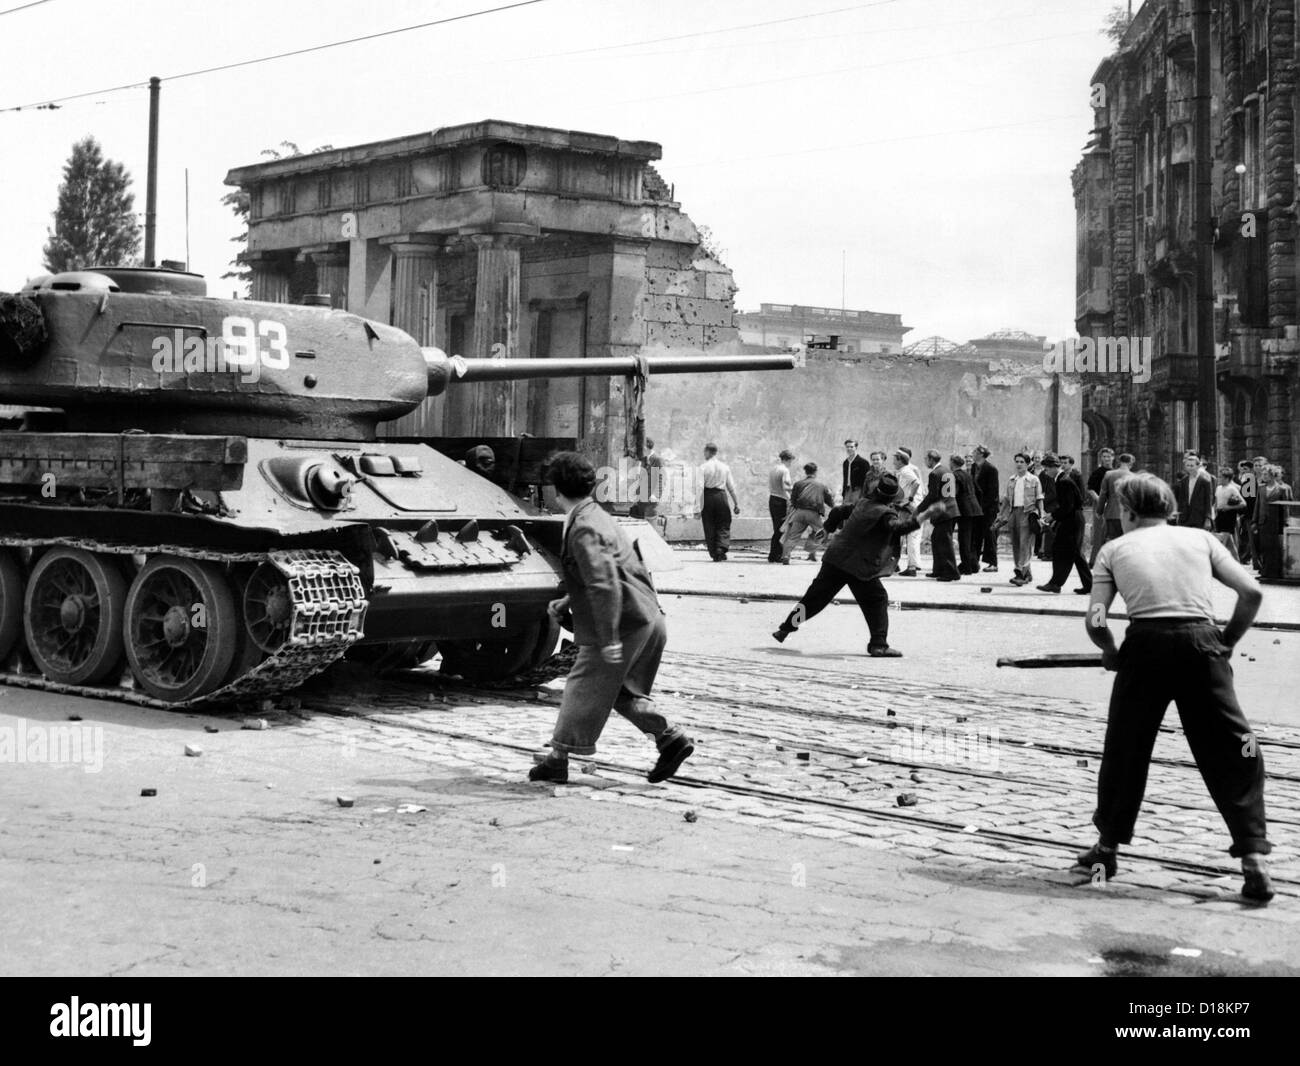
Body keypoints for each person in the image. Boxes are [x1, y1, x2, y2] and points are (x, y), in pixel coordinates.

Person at [1080, 473, 1273, 902]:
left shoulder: (1114, 549)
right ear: (1170, 508)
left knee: (1125, 749)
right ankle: (1253, 855)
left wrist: (1111, 650)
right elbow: (1252, 593)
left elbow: (1095, 621)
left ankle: (1107, 848)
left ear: (1127, 512)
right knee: (1236, 747)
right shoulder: (1200, 540)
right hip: (1202, 645)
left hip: (1144, 648)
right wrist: (1226, 642)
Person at [529, 452, 694, 786]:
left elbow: (604, 585)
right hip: (644, 615)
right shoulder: (596, 515)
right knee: (615, 691)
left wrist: (608, 639)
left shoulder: (583, 526)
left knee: (581, 685)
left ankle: (557, 760)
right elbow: (608, 573)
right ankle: (670, 739)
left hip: (623, 623)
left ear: (554, 489)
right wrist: (567, 601)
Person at [773, 473, 956, 656]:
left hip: (835, 559)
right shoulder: (885, 513)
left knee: (814, 599)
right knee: (877, 600)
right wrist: (925, 515)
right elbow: (898, 528)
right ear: (892, 498)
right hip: (858, 566)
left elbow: (837, 512)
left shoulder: (862, 503)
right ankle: (878, 644)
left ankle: (785, 628)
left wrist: (827, 529)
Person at [1036, 454, 1092, 594]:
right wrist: (1055, 515)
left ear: (1054, 467)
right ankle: (1088, 585)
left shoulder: (1063, 481)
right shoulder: (1061, 479)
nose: (1045, 471)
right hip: (1072, 519)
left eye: (1047, 468)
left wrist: (1052, 516)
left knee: (1064, 551)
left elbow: (1068, 506)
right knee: (1074, 553)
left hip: (1072, 520)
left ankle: (1055, 584)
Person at [997, 451, 1044, 586]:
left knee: (1025, 544)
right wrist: (1001, 514)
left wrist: (1041, 515)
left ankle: (1020, 573)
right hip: (1014, 513)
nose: (1018, 464)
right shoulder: (1012, 479)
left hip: (1028, 513)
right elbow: (1006, 499)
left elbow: (1039, 498)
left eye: (1022, 462)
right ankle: (1026, 573)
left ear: (1027, 464)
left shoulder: (1034, 479)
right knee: (1017, 544)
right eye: (1017, 461)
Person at [780, 462, 834, 563]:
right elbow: (829, 500)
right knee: (820, 533)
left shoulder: (798, 484)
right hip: (814, 514)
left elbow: (793, 499)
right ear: (816, 472)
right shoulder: (821, 486)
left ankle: (786, 556)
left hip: (799, 513)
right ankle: (810, 550)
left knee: (793, 536)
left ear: (805, 472)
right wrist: (834, 507)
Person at [919, 449, 960, 581]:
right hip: (951, 509)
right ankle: (938, 570)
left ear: (931, 459)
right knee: (936, 539)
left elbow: (932, 495)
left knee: (944, 542)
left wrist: (919, 509)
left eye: (926, 459)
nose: (925, 461)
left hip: (944, 511)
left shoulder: (935, 473)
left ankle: (951, 573)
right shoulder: (947, 470)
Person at [698, 442, 740, 562]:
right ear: (716, 452)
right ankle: (721, 547)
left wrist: (697, 506)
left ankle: (714, 552)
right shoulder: (725, 467)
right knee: (724, 523)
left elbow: (699, 487)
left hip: (707, 496)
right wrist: (736, 503)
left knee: (709, 524)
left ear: (707, 452)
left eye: (704, 452)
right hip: (721, 496)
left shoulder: (703, 467)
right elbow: (731, 487)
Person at [1254, 464, 1294, 580]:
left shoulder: (1281, 489)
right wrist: (1254, 521)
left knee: (1275, 547)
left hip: (1275, 522)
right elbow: (1258, 505)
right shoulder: (1261, 488)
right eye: (1262, 474)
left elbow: (1285, 508)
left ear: (1272, 475)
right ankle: (1264, 571)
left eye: (1265, 474)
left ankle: (1274, 572)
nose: (1263, 476)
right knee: (1263, 547)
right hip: (1263, 522)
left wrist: (1286, 522)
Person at [891, 448, 923, 576]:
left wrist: (909, 499)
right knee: (908, 536)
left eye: (895, 459)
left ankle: (912, 567)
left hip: (910, 507)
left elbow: (916, 483)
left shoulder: (906, 471)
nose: (893, 461)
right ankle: (910, 565)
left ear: (900, 460)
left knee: (911, 537)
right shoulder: (902, 471)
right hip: (907, 507)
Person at [950, 454, 983, 574]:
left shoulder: (954, 475)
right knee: (971, 539)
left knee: (963, 539)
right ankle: (973, 564)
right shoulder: (968, 475)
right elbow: (979, 491)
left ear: (953, 463)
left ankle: (967, 566)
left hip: (964, 510)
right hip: (975, 509)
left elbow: (955, 494)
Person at [970, 445, 1000, 572]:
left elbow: (993, 492)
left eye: (975, 452)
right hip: (977, 507)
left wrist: (983, 507)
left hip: (989, 508)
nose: (972, 453)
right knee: (975, 534)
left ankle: (993, 563)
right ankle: (974, 561)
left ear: (981, 454)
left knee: (989, 535)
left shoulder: (991, 469)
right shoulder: (973, 467)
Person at [1095, 452, 1135, 545]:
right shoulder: (1134, 477)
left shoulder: (1109, 474)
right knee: (1126, 541)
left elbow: (1103, 495)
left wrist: (1099, 511)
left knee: (1111, 540)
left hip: (1112, 512)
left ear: (1119, 462)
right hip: (1128, 514)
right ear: (1130, 463)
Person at [1086, 447, 1115, 567]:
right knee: (1099, 533)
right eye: (1104, 456)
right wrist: (1100, 501)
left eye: (1109, 456)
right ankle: (1094, 561)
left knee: (1112, 532)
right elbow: (1090, 489)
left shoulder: (1115, 472)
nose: (1107, 458)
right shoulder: (1097, 472)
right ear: (1101, 458)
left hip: (1113, 505)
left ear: (1113, 457)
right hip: (1100, 505)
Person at [1173, 450, 1215, 531]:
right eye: (1187, 465)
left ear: (1198, 466)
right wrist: (1178, 515)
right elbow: (1181, 499)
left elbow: (1208, 500)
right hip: (1184, 517)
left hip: (1199, 517)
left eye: (1192, 466)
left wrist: (1208, 518)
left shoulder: (1205, 481)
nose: (1189, 468)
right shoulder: (1183, 481)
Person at [767, 449, 795, 563]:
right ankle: (776, 554)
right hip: (781, 500)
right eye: (791, 461)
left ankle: (773, 554)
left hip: (772, 498)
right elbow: (786, 486)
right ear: (788, 459)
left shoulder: (773, 469)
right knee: (781, 529)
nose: (791, 463)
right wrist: (795, 489)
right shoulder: (785, 470)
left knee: (776, 527)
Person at [1213, 467, 1247, 561]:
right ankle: (1236, 561)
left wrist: (1229, 507)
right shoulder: (1218, 488)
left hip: (1228, 516)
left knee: (1223, 540)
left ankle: (1220, 561)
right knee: (1229, 542)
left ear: (1227, 478)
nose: (1219, 479)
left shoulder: (1232, 489)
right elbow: (1216, 502)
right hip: (1219, 515)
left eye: (1221, 477)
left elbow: (1243, 503)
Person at [841, 439, 869, 504]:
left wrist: (864, 492)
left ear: (856, 447)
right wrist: (843, 491)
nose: (849, 449)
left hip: (858, 490)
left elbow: (867, 479)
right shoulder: (846, 462)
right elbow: (845, 478)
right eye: (847, 447)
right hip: (847, 490)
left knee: (855, 508)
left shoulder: (863, 462)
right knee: (845, 508)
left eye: (851, 447)